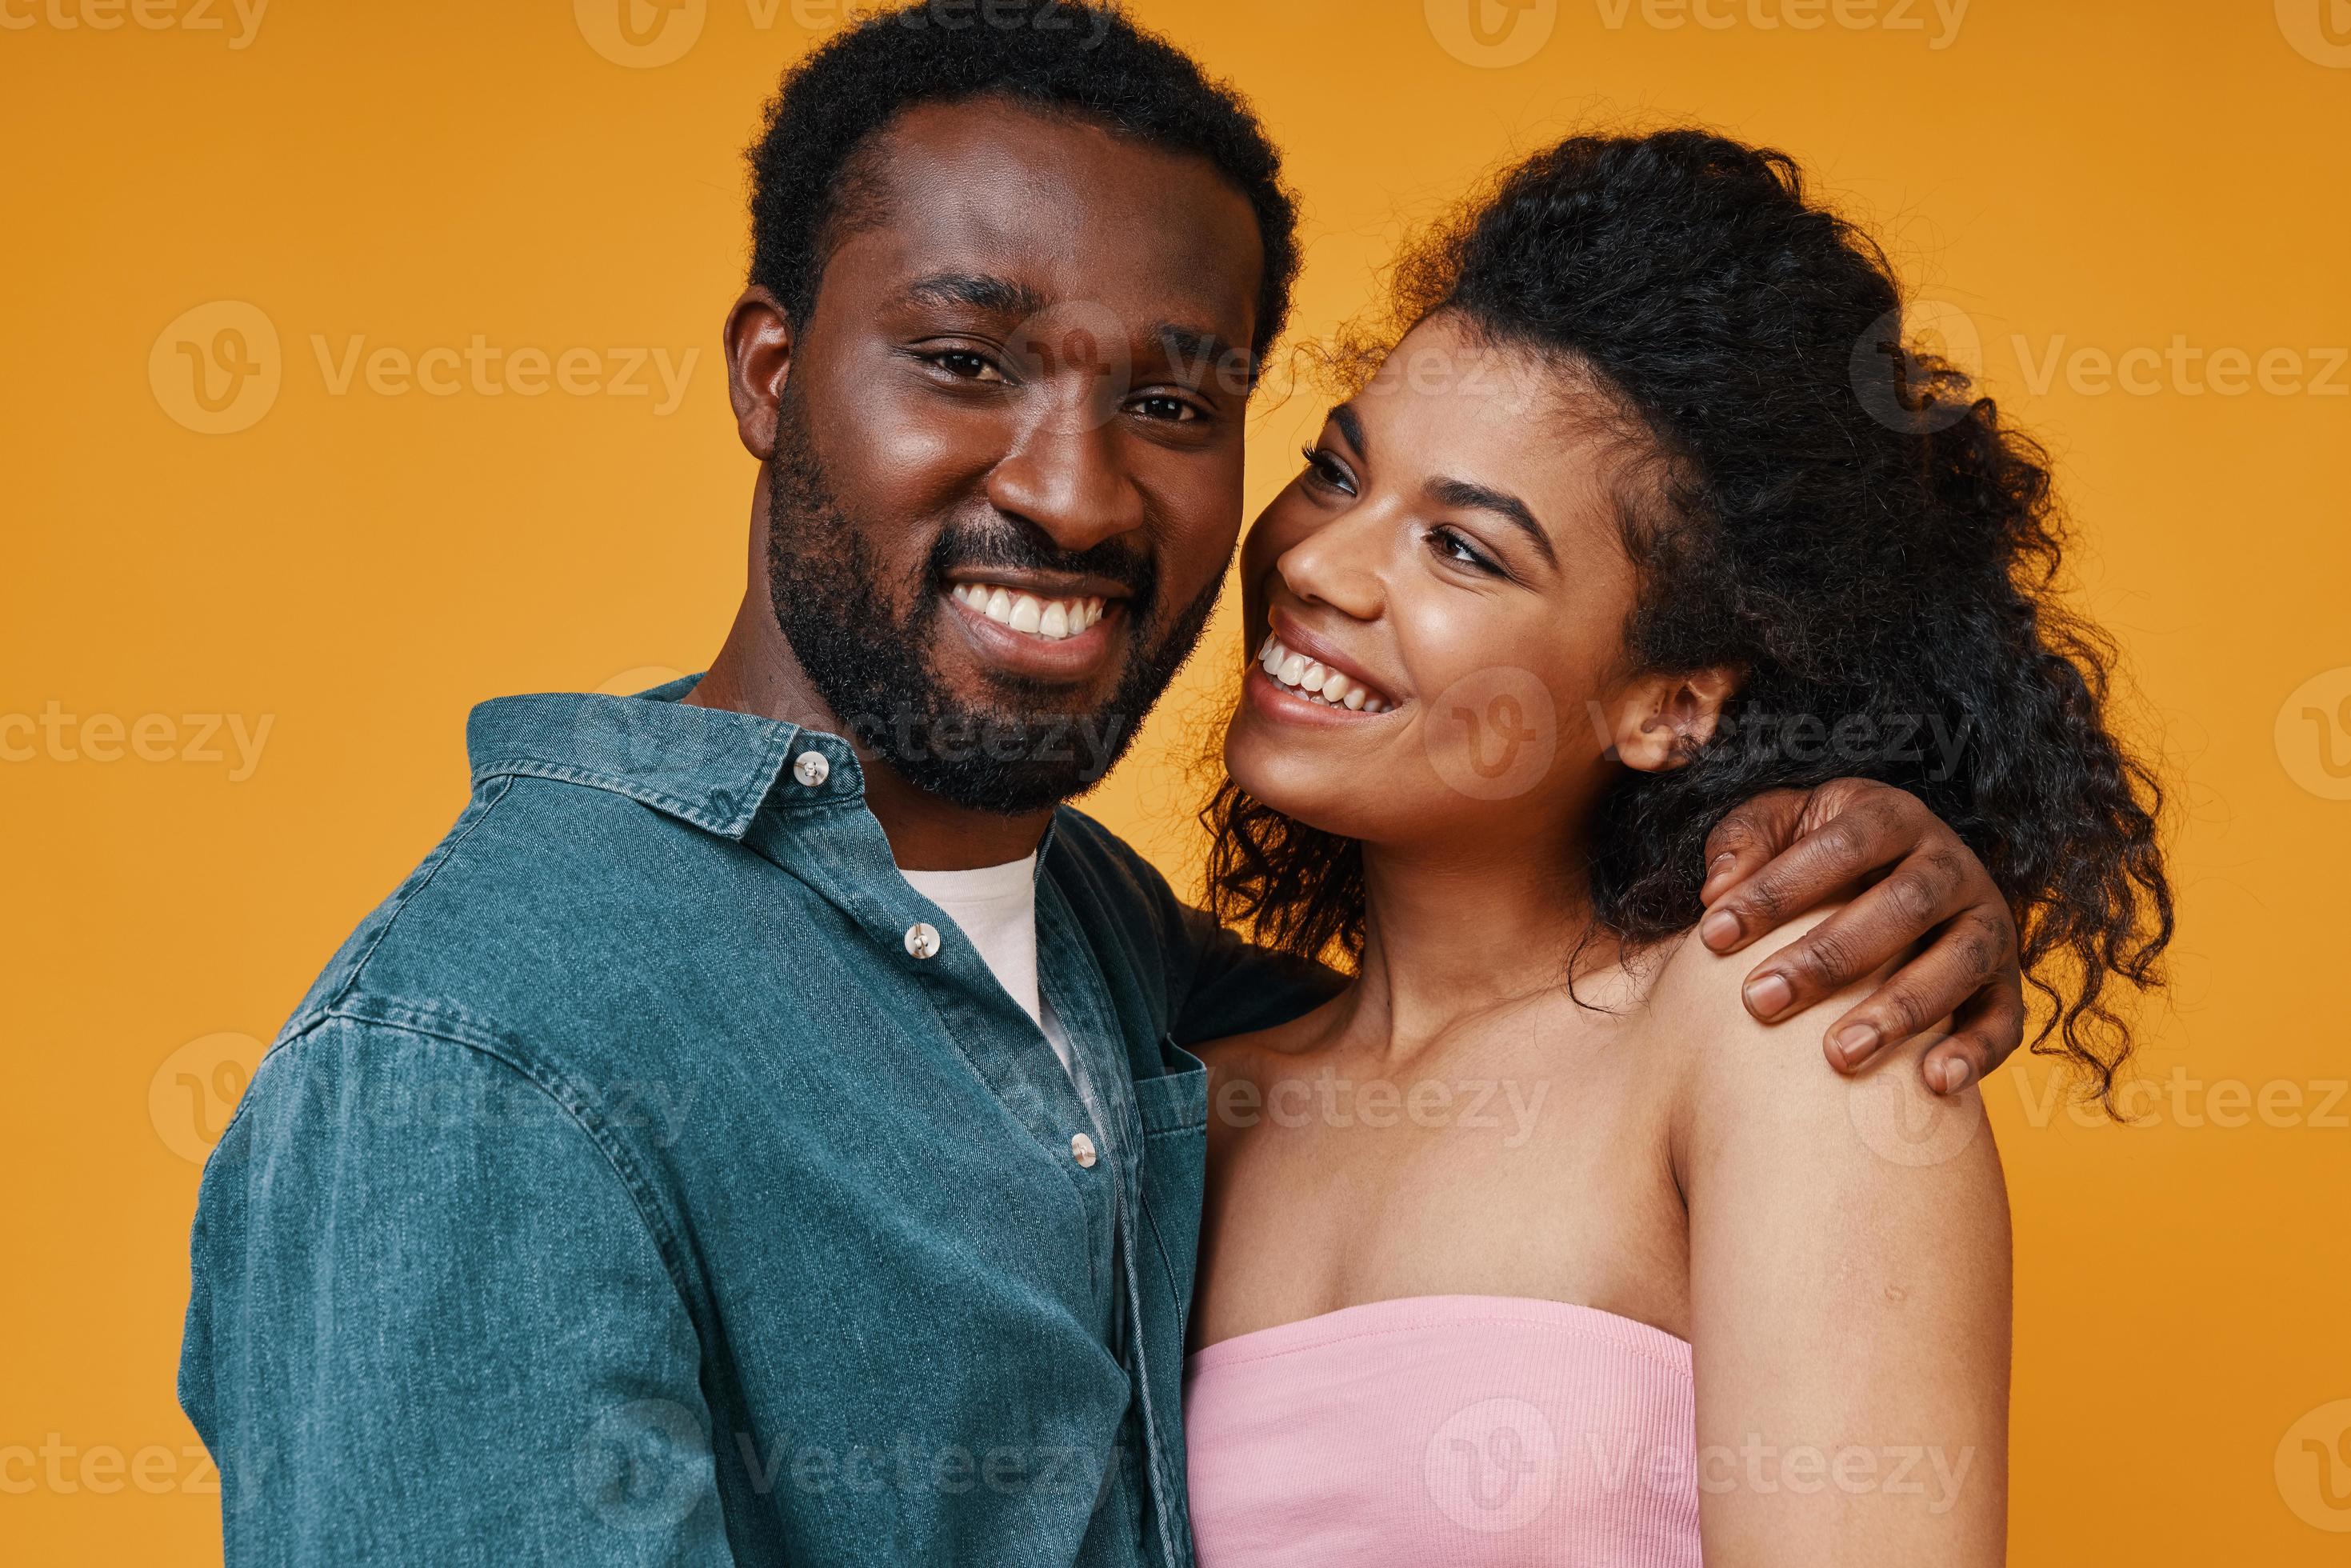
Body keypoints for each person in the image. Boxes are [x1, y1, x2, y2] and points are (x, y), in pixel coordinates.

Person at [179, 7, 2041, 1565]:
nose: (1076, 496)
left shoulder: (1131, 992)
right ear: (770, 372)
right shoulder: (475, 1054)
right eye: (965, 359)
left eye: (1172, 403)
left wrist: (1907, 854)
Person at [1180, 130, 2173, 1566]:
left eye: (1465, 549)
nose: (1321, 564)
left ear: (1670, 703)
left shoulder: (1786, 1030)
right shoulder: (1177, 1093)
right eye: (1339, 473)